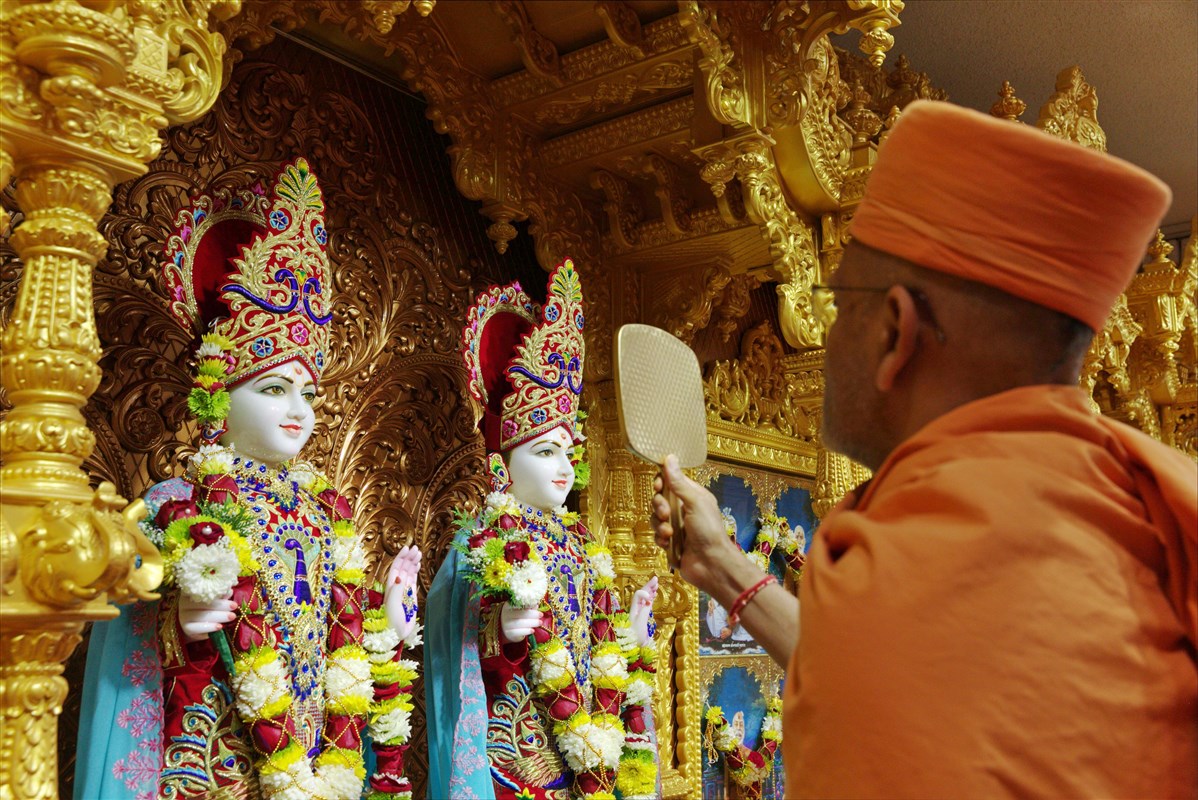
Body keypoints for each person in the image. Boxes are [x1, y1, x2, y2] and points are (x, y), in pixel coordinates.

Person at [651, 100, 1197, 798]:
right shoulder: (1137, 497)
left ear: (896, 331)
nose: (825, 335)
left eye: (841, 305)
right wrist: (722, 567)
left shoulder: (934, 557)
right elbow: (873, 672)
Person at [76, 159, 423, 800]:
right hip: (219, 757)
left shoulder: (327, 512)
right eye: (273, 388)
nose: (298, 411)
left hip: (323, 758)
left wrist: (389, 627)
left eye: (308, 393)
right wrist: (178, 619)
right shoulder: (176, 505)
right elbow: (131, 639)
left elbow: (336, 629)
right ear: (218, 393)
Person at [425, 260, 661, 800]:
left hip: (592, 754)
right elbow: (457, 647)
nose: (563, 467)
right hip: (519, 755)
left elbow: (597, 642)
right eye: (546, 450)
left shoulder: (581, 546)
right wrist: (500, 633)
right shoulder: (484, 541)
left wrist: (632, 635)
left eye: (568, 451)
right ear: (503, 459)